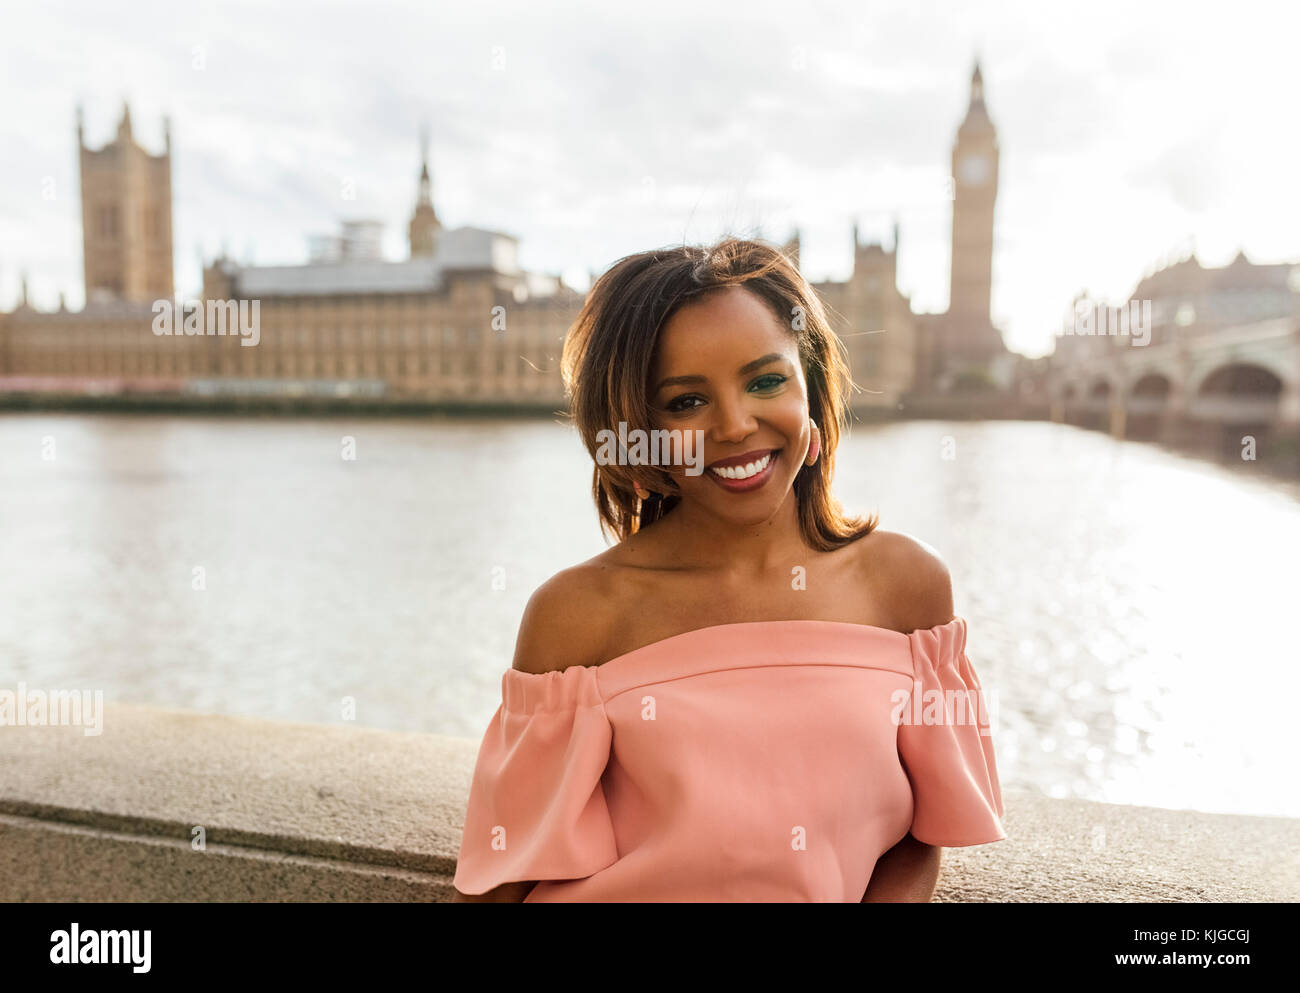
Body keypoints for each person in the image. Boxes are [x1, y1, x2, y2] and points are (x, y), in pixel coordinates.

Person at [452, 237, 1005, 902]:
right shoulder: (576, 612)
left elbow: (920, 832)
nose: (736, 425)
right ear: (636, 430)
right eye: (686, 401)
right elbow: (501, 884)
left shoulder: (908, 587)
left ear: (812, 385)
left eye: (766, 380)